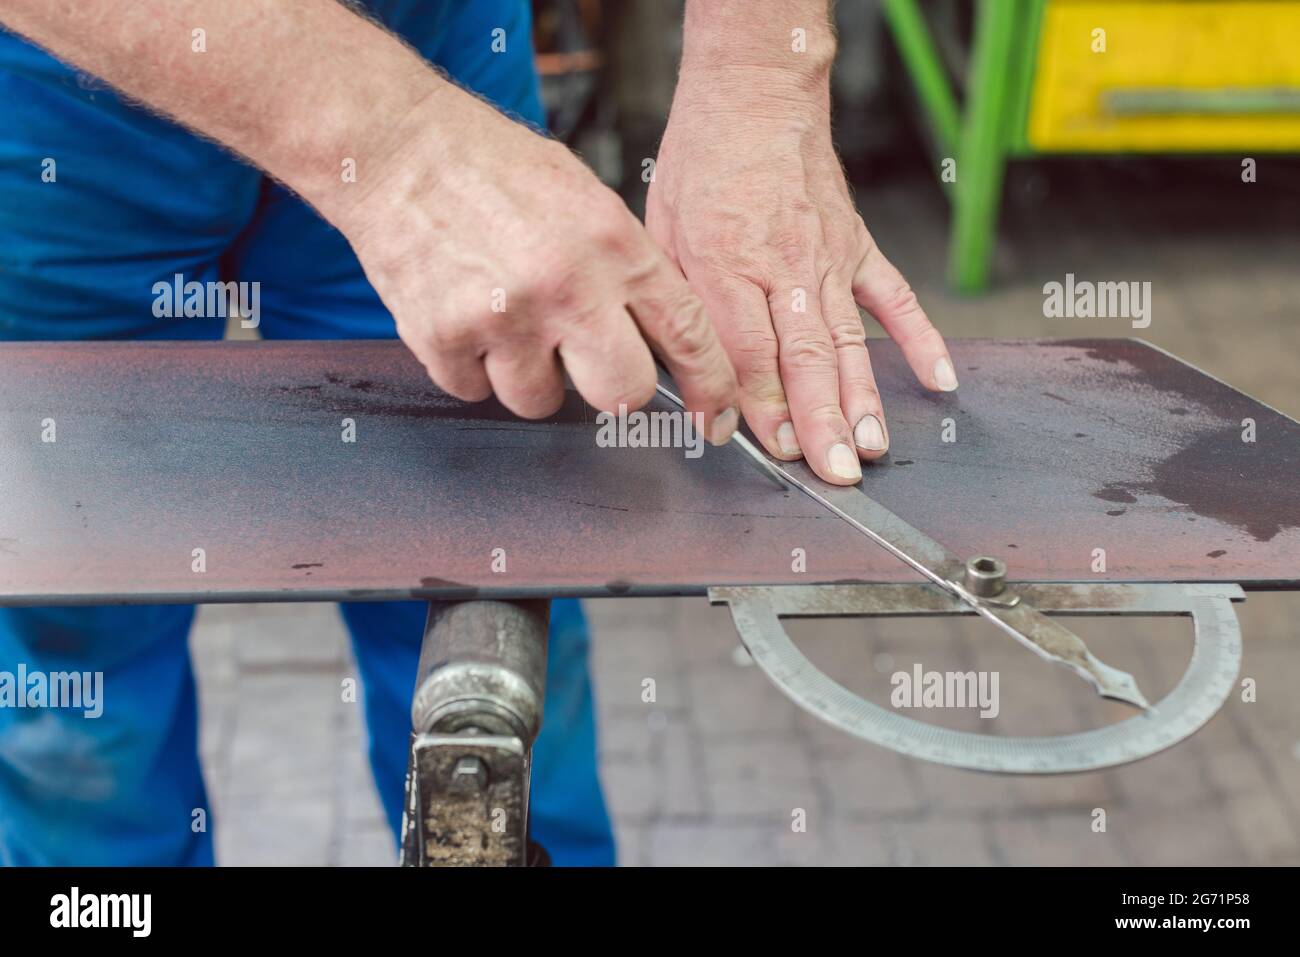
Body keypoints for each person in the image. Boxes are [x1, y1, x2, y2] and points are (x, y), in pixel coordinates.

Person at [0, 0, 956, 866]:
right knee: (78, 662)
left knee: (504, 572)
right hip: (62, 80)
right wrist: (400, 149)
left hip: (433, 37)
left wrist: (757, 74)